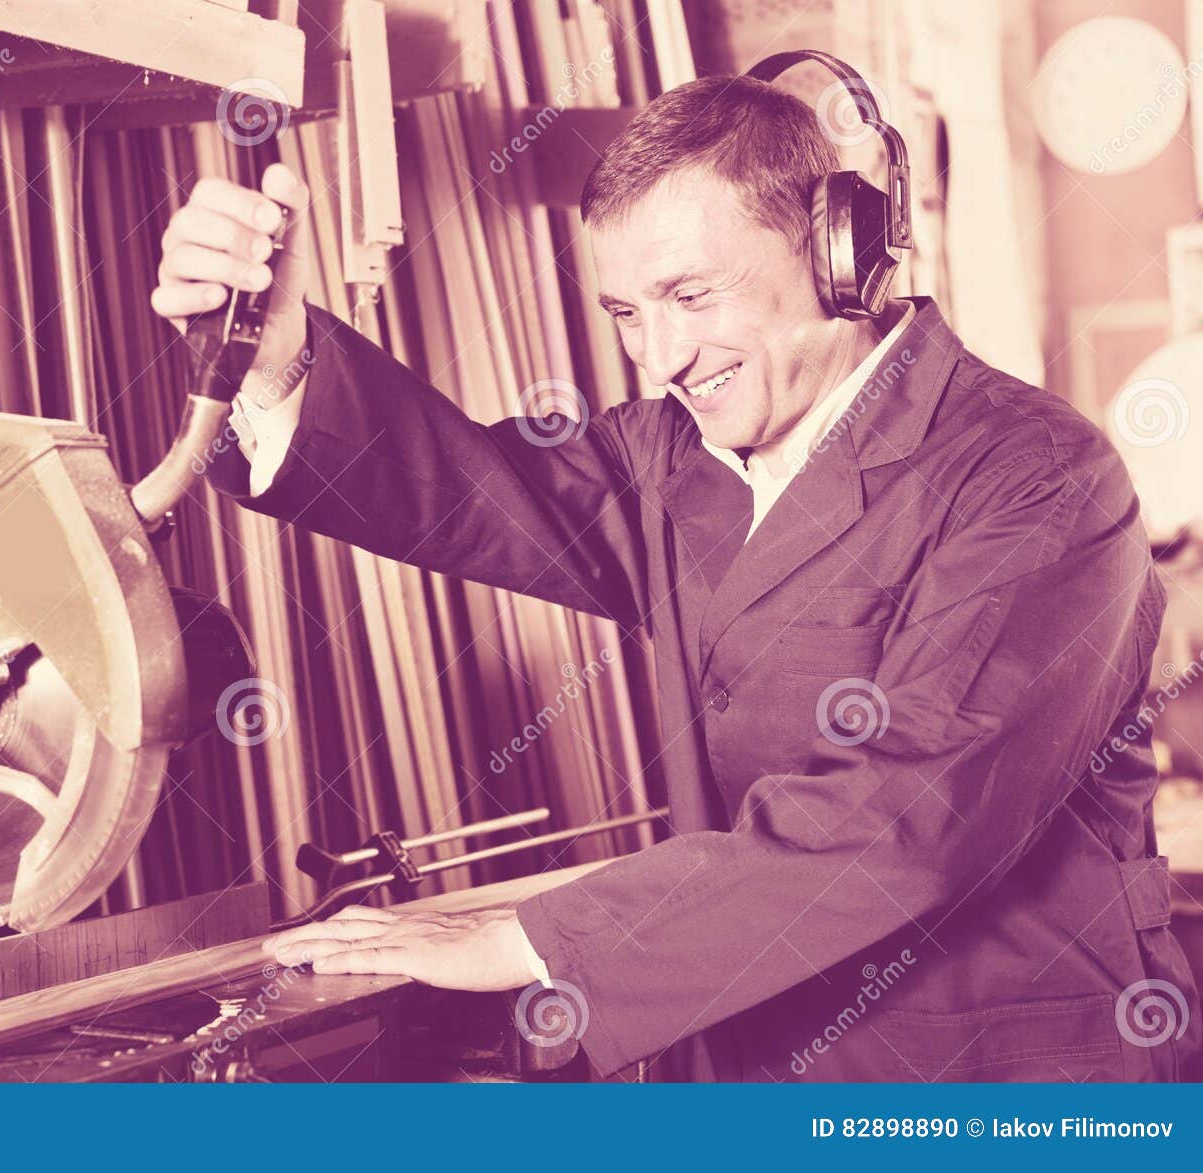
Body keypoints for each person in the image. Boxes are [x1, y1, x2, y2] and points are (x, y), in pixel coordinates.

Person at [149, 74, 1198, 1081]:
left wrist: (530, 939)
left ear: (840, 250)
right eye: (625, 313)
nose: (658, 357)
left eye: (689, 295)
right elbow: (461, 489)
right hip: (745, 1059)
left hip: (981, 1084)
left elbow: (910, 814)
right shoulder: (667, 456)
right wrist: (280, 359)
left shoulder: (1034, 473)